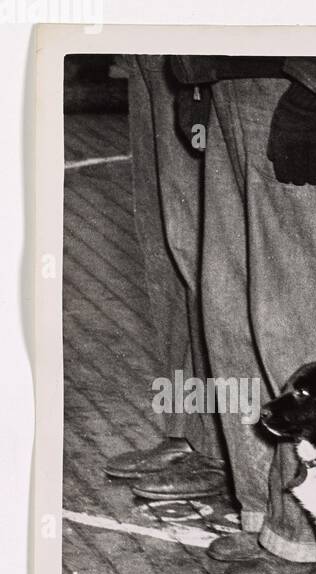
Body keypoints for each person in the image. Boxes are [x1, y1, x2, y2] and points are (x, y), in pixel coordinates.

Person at [169, 55, 316, 574]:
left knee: (307, 321)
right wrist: (193, 74)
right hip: (230, 75)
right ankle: (268, 515)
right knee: (234, 311)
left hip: (292, 78)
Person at [105, 55, 225, 501]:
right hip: (147, 47)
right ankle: (186, 428)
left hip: (203, 44)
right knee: (166, 248)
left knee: (203, 246)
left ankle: (217, 443)